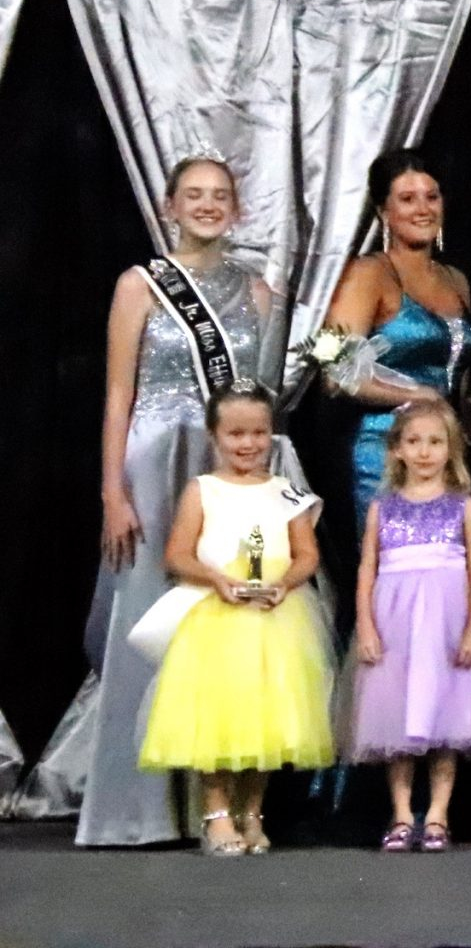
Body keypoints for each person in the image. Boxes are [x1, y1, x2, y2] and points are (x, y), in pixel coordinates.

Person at [74, 155, 292, 847]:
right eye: (192, 196)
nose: (206, 206)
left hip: (226, 469)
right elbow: (117, 394)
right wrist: (113, 490)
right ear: (169, 206)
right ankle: (138, 811)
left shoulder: (259, 293)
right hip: (153, 464)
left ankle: (220, 803)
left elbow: (256, 404)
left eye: (219, 196)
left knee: (226, 630)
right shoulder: (139, 285)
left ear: (238, 208)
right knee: (152, 626)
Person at [136, 385, 333, 857]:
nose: (248, 444)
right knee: (217, 718)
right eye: (236, 434)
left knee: (265, 716)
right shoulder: (202, 490)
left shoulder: (288, 493)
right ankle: (216, 812)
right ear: (214, 436)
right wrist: (217, 579)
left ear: (273, 435)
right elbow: (177, 555)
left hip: (274, 618)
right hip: (217, 618)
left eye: (259, 433)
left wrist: (285, 584)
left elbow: (307, 555)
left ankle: (252, 809)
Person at [344, 399, 471, 853]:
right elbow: (367, 570)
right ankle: (400, 813)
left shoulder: (464, 506)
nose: (424, 452)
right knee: (395, 718)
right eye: (413, 441)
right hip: (394, 617)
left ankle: (437, 813)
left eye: (435, 442)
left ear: (450, 450)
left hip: (447, 618)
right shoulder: (383, 507)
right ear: (395, 449)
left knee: (448, 715)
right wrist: (366, 626)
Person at [323, 150, 471, 532]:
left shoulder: (456, 279)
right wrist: (421, 396)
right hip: (384, 449)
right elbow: (336, 374)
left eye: (432, 196)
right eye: (407, 199)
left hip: (445, 450)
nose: (422, 208)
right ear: (383, 211)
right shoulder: (369, 273)